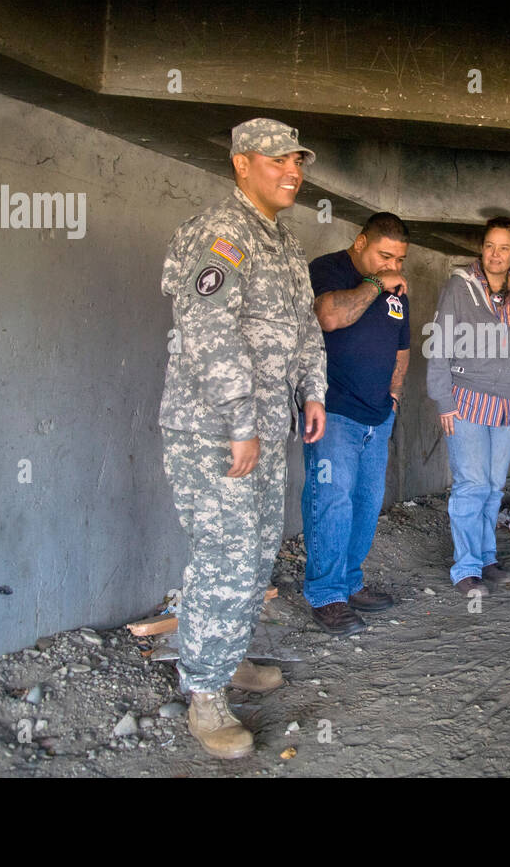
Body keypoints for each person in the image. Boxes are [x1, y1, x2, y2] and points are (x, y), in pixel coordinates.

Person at [159, 117, 327, 758]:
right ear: (241, 164)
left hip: (262, 426)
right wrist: (241, 421)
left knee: (255, 553)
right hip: (216, 429)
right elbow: (207, 329)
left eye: (298, 161)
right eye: (278, 159)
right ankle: (204, 695)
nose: (293, 170)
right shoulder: (222, 233)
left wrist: (313, 391)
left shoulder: (282, 241)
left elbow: (304, 327)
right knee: (224, 556)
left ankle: (226, 657)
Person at [426, 218, 510, 595]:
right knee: (471, 484)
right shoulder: (459, 287)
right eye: (488, 246)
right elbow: (439, 344)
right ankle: (466, 567)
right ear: (481, 249)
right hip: (466, 398)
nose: (495, 255)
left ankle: (486, 558)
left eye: (503, 248)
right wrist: (443, 400)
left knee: (494, 486)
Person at [302, 213, 412, 635]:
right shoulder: (328, 269)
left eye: (399, 259)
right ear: (360, 241)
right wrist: (375, 284)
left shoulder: (396, 287)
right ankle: (326, 594)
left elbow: (401, 347)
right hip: (333, 410)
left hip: (378, 414)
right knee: (330, 498)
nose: (392, 266)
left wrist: (395, 396)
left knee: (367, 502)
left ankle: (348, 582)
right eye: (384, 255)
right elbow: (330, 317)